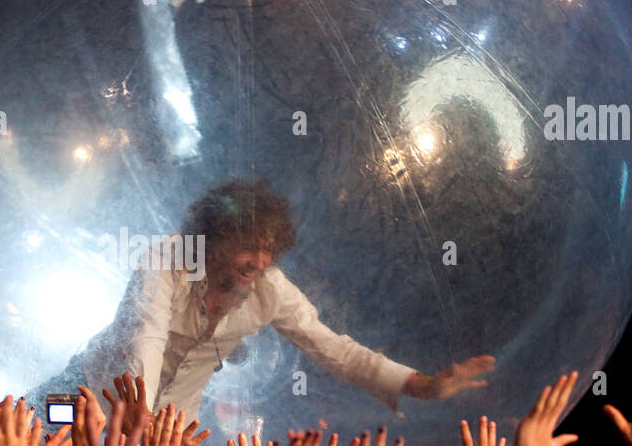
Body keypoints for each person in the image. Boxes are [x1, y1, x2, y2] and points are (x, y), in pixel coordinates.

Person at [70, 178, 494, 423]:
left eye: (269, 250)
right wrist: (138, 419)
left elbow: (334, 349)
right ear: (215, 239)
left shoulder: (272, 289)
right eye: (248, 246)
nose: (259, 262)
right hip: (93, 390)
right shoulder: (168, 256)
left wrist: (421, 386)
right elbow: (149, 332)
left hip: (171, 427)